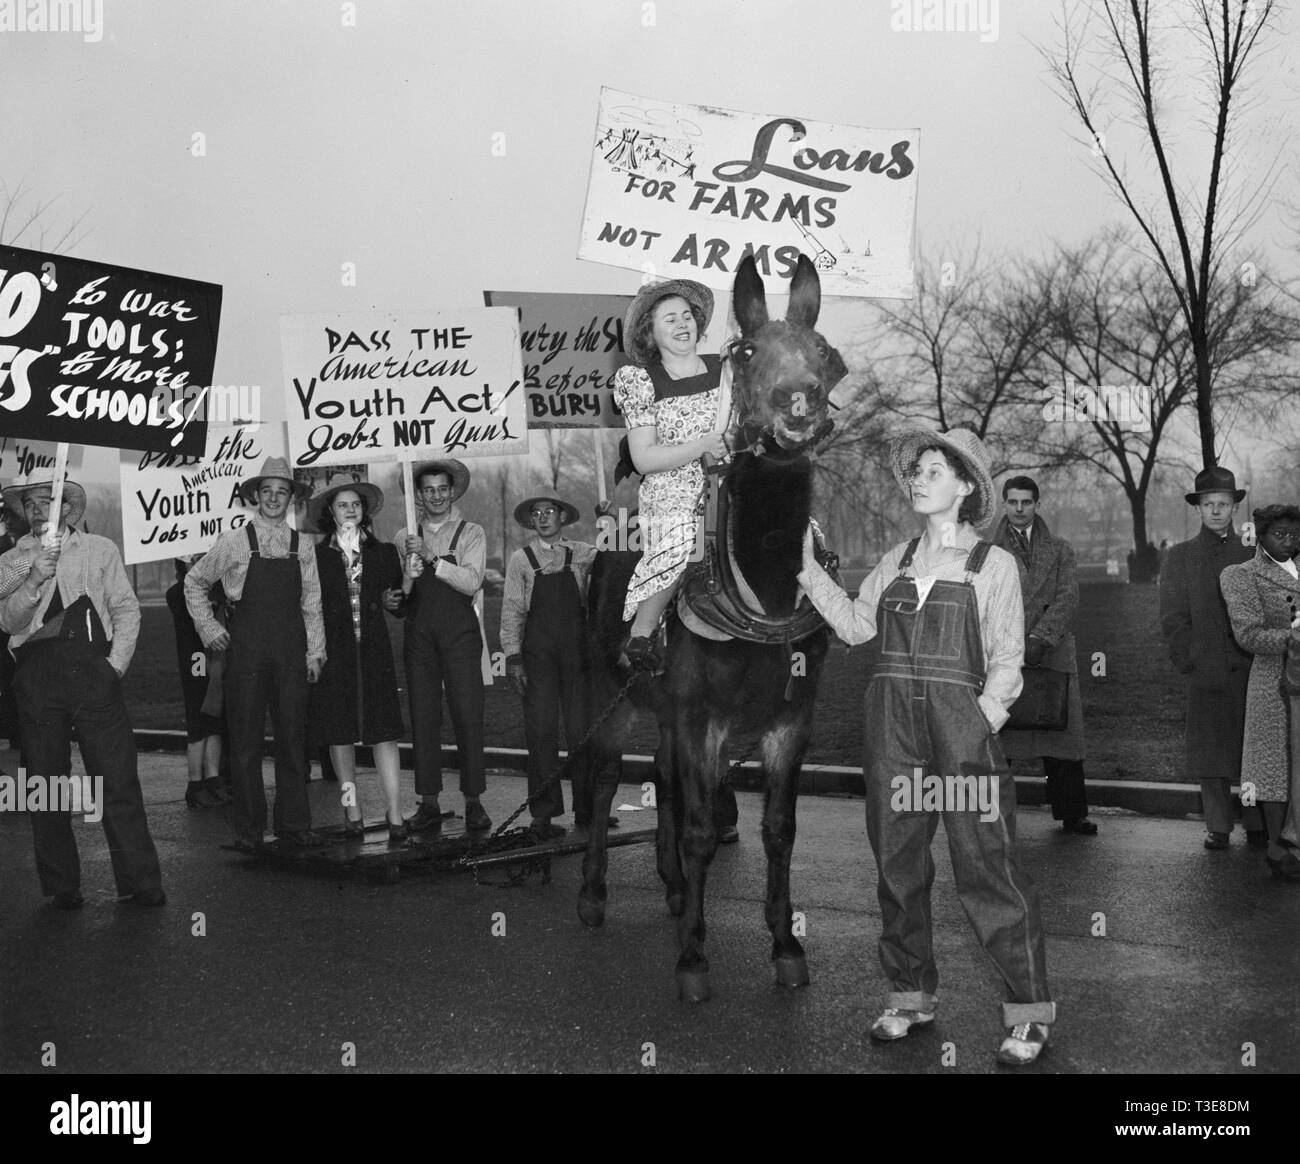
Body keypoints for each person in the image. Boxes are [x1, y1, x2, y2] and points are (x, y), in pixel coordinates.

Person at [797, 426, 1055, 1067]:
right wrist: (806, 571)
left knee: (986, 870)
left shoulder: (993, 566)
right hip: (893, 734)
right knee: (897, 868)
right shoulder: (896, 559)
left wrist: (978, 722)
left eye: (933, 470)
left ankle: (1028, 1013)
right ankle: (909, 996)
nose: (918, 480)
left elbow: (1007, 658)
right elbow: (858, 626)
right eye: (916, 471)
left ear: (966, 486)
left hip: (958, 735)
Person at [0, 470, 164, 908]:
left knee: (117, 781)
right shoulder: (12, 560)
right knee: (46, 785)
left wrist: (114, 668)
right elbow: (7, 622)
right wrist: (33, 578)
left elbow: (127, 611)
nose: (37, 510)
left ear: (66, 508)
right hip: (37, 678)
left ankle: (142, 882)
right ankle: (61, 887)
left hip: (94, 675)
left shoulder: (99, 549)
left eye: (45, 501)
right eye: (30, 504)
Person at [185, 456, 327, 851]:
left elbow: (312, 602)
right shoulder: (235, 541)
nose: (274, 498)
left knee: (293, 739)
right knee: (245, 743)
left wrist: (316, 652)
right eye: (267, 491)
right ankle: (249, 830)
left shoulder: (303, 544)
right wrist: (209, 628)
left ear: (291, 499)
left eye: (282, 492)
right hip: (245, 653)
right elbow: (195, 582)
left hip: (290, 652)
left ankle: (294, 824)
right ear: (255, 496)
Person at [613, 278, 730, 670]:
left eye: (686, 316)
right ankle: (643, 634)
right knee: (683, 539)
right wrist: (700, 448)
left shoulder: (726, 369)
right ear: (650, 331)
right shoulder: (639, 379)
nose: (682, 325)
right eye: (669, 320)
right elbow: (644, 458)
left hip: (730, 479)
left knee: (795, 526)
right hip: (673, 488)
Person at [1159, 467, 1264, 850]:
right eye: (1209, 504)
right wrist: (1188, 658)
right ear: (1198, 509)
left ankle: (1256, 822)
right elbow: (1172, 617)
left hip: (1251, 670)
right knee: (1211, 753)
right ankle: (1218, 826)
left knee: (1252, 752)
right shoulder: (1181, 557)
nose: (1217, 511)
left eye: (1224, 504)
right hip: (1206, 671)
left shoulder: (1253, 554)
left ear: (1235, 507)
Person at [307, 482, 414, 845]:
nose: (350, 510)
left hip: (374, 653)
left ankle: (395, 811)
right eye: (342, 505)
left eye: (356, 504)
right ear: (331, 513)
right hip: (334, 654)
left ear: (363, 511)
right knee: (340, 733)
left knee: (383, 731)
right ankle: (351, 809)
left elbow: (400, 604)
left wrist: (404, 586)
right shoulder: (317, 557)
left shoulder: (383, 553)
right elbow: (309, 606)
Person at [992, 476, 1097, 835]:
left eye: (1026, 502)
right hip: (1003, 654)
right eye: (1012, 502)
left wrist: (1041, 636)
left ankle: (1072, 813)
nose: (1019, 508)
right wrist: (1014, 642)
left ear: (1038, 504)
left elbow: (1068, 597)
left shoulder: (1061, 549)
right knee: (998, 737)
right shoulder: (985, 551)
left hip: (1051, 651)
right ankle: (992, 814)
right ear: (1004, 504)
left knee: (1061, 736)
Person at [501, 494, 609, 839]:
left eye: (550, 512)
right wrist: (514, 658)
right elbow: (512, 611)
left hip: (575, 653)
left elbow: (612, 561)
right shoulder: (521, 559)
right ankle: (543, 812)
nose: (543, 517)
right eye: (537, 514)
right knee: (541, 731)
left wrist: (607, 523)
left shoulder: (581, 552)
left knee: (581, 730)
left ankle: (587, 807)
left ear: (562, 516)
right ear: (531, 521)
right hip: (538, 656)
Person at [398, 459, 491, 833]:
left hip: (459, 634)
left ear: (452, 492)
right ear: (418, 495)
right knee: (423, 716)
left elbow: (471, 582)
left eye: (442, 489)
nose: (435, 496)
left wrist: (431, 557)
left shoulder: (472, 532)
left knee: (467, 715)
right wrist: (396, 594)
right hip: (419, 634)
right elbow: (403, 594)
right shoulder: (403, 534)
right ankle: (429, 802)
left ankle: (474, 800)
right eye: (428, 490)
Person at [1219, 504, 1300, 879]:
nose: (1289, 541)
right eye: (1280, 534)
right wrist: (1294, 638)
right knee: (1272, 768)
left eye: (1295, 534)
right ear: (1261, 537)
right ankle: (1276, 846)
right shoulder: (1242, 575)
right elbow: (1248, 635)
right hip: (1274, 683)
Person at [166, 558, 229, 809]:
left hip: (216, 658)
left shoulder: (216, 588)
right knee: (198, 717)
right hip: (196, 659)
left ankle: (213, 779)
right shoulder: (177, 593)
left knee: (215, 718)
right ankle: (195, 783)